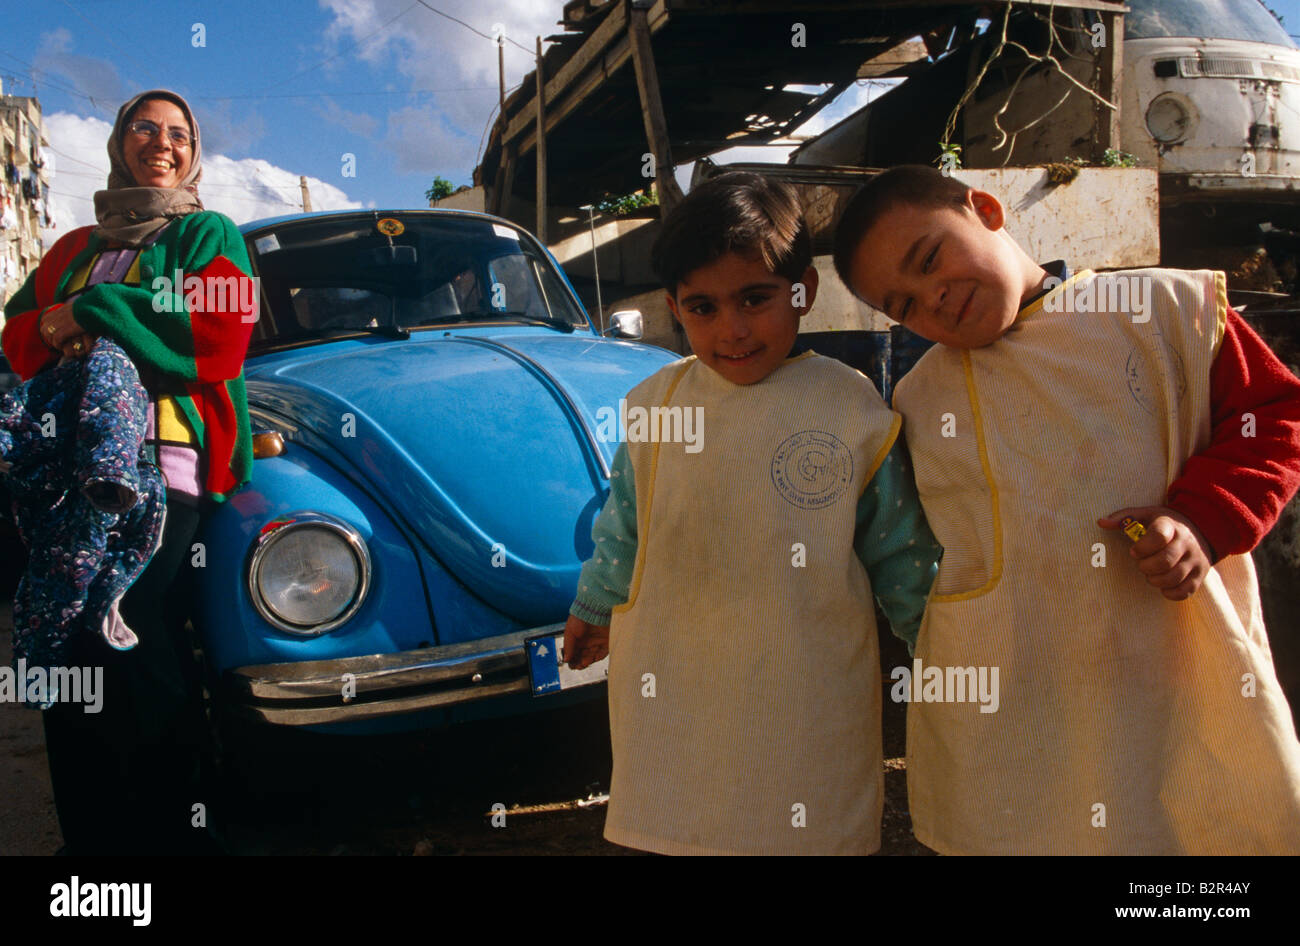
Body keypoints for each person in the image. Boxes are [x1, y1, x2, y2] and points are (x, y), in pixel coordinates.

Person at [832, 163, 1300, 855]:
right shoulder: (920, 399)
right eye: (903, 306)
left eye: (930, 258)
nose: (934, 299)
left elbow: (1275, 411)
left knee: (1192, 825)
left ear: (986, 209)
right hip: (1024, 684)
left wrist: (1203, 518)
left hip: (1171, 649)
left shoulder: (1163, 310)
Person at [563, 172, 941, 855]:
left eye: (754, 298)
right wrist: (593, 606)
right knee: (685, 827)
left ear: (804, 292)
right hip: (676, 681)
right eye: (703, 307)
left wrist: (936, 651)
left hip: (806, 695)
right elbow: (625, 525)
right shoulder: (657, 407)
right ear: (676, 310)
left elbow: (899, 552)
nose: (732, 329)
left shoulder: (850, 408)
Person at [1, 89, 256, 854]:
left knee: (131, 627)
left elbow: (218, 327)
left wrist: (95, 310)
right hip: (61, 474)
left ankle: (170, 832)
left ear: (193, 150)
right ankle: (93, 845)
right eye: (144, 128)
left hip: (162, 463)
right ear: (119, 143)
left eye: (178, 132)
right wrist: (57, 318)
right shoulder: (70, 246)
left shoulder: (207, 232)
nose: (162, 142)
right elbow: (16, 332)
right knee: (67, 641)